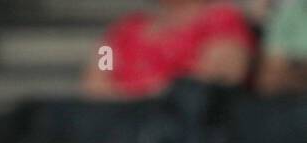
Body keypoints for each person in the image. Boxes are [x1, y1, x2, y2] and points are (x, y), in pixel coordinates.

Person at [82, 0, 255, 100]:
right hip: (121, 129)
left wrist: (137, 96)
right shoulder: (125, 29)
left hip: (181, 134)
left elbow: (214, 81)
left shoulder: (222, 20)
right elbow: (100, 72)